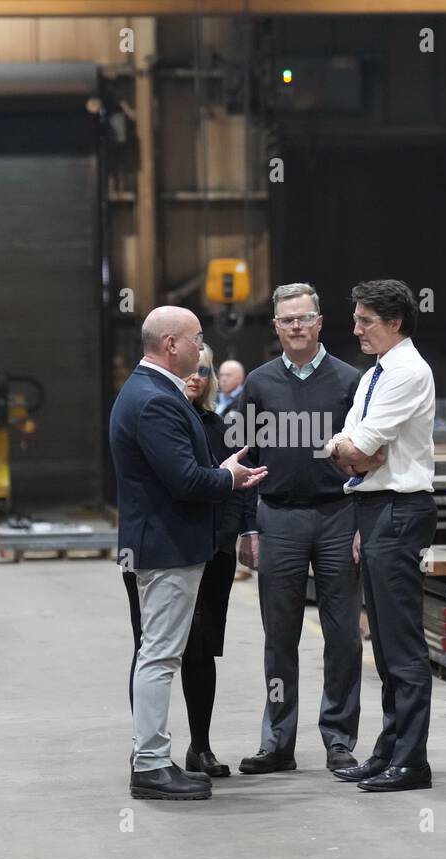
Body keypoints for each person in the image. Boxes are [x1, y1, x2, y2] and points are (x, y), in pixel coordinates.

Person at [109, 306, 267, 801]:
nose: (203, 350)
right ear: (171, 344)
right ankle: (152, 765)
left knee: (158, 654)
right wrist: (229, 478)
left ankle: (152, 757)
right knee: (159, 656)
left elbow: (177, 467)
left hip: (160, 544)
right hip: (166, 547)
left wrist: (220, 467)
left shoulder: (148, 392)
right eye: (197, 339)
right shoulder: (155, 400)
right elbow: (183, 480)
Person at [234, 282, 373, 775]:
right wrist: (248, 528)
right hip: (278, 520)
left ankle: (338, 739)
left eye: (304, 318)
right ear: (275, 328)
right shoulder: (259, 384)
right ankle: (278, 743)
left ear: (319, 322)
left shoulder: (351, 381)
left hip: (339, 516)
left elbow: (370, 458)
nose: (296, 326)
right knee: (279, 638)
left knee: (343, 636)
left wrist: (362, 524)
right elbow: (243, 462)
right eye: (286, 320)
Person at [325, 279, 437, 793]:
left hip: (398, 509)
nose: (356, 328)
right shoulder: (378, 374)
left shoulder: (407, 372)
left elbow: (364, 443)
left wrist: (350, 449)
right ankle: (390, 747)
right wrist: (346, 450)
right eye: (356, 318)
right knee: (385, 645)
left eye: (366, 320)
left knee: (403, 644)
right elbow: (348, 446)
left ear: (395, 322)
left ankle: (412, 760)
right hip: (374, 508)